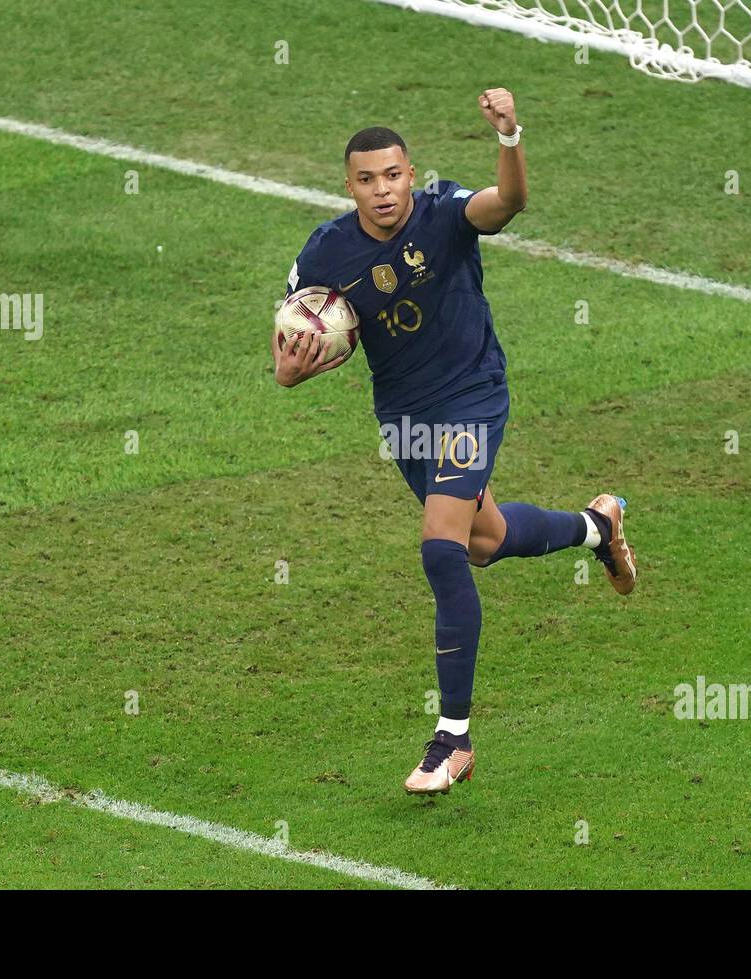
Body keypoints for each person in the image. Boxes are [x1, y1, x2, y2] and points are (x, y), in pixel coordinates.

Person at [273, 88, 637, 795]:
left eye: (393, 174)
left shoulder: (444, 213)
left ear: (412, 174)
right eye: (367, 179)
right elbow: (290, 330)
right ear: (349, 186)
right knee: (483, 541)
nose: (383, 190)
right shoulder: (326, 250)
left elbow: (509, 203)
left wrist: (509, 137)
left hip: (472, 396)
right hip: (404, 417)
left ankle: (453, 739)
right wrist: (287, 371)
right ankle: (598, 526)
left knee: (441, 546)